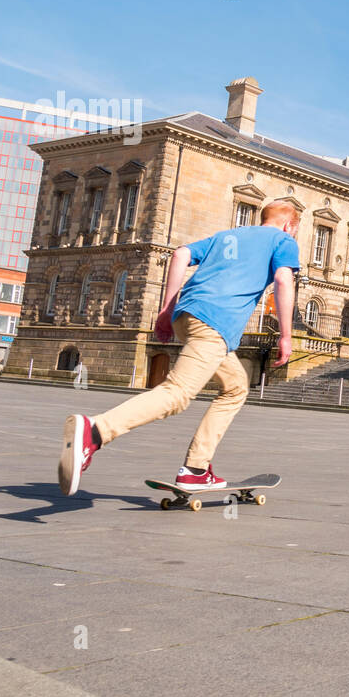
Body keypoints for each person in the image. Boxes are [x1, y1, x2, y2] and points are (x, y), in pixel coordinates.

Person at [57, 201, 300, 495]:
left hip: (187, 317)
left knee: (236, 387)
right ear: (289, 224)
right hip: (214, 323)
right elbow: (283, 280)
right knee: (177, 394)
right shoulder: (283, 240)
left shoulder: (227, 236)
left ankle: (196, 469)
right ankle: (96, 431)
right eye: (296, 231)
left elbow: (181, 254)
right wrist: (285, 335)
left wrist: (167, 309)